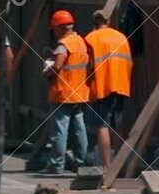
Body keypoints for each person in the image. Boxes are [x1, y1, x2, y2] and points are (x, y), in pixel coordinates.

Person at [40, 9, 91, 175]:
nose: (54, 33)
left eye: (54, 29)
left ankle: (56, 165)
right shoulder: (81, 42)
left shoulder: (64, 45)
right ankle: (81, 163)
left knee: (60, 130)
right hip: (79, 92)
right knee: (79, 129)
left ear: (60, 28)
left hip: (63, 93)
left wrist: (47, 71)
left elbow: (57, 66)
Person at [84, 9, 134, 176]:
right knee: (117, 124)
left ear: (94, 22)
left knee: (102, 125)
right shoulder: (121, 37)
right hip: (121, 84)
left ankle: (107, 167)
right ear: (109, 21)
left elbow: (89, 64)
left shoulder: (91, 38)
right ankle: (120, 165)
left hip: (102, 86)